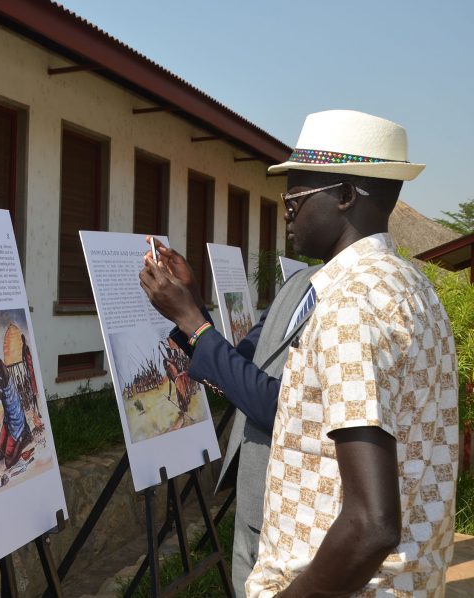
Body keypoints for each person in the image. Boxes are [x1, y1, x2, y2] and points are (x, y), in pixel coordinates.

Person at [143, 109, 457, 596]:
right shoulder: (412, 288)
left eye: (297, 196)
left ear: (347, 196)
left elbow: (372, 524)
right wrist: (194, 313)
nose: (286, 209)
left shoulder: (351, 306)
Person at [142, 236, 320, 594]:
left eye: (298, 192)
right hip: (257, 504)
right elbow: (244, 368)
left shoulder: (352, 298)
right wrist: (191, 302)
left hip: (299, 521)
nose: (287, 208)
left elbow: (279, 406)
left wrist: (191, 319)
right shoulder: (298, 285)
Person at [0, 343, 32, 470]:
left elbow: (0, 395)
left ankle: (22, 437)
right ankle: (22, 435)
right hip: (8, 416)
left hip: (15, 415)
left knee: (9, 461)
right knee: (0, 453)